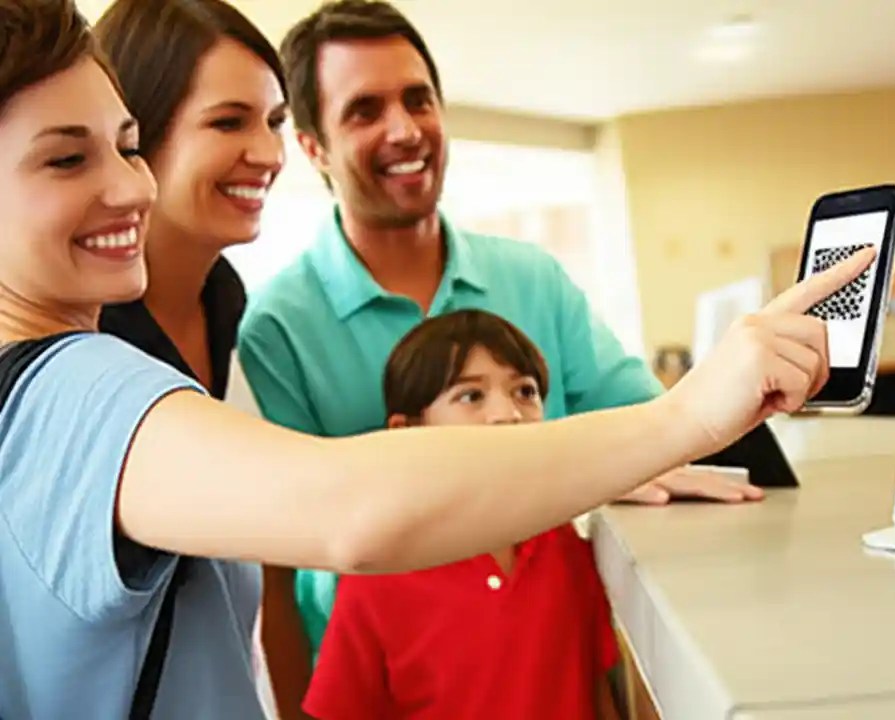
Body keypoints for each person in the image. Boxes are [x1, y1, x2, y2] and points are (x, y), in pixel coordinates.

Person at [0, 1, 872, 717]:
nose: (131, 185)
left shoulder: (199, 319)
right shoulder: (84, 383)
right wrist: (682, 417)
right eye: (66, 159)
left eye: (122, 144)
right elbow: (347, 512)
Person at [235, 1, 776, 711]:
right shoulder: (277, 325)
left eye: (418, 99)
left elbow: (651, 429)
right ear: (312, 147)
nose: (405, 129)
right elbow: (280, 563)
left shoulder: (534, 280)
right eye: (365, 110)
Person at [305, 309, 623, 720]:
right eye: (472, 396)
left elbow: (600, 695)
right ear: (407, 432)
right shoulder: (376, 578)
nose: (507, 414)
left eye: (524, 392)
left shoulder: (566, 546)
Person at [94, 0, 287, 403]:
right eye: (229, 123)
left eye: (275, 122)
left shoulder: (226, 296)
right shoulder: (88, 328)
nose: (271, 155)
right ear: (134, 137)